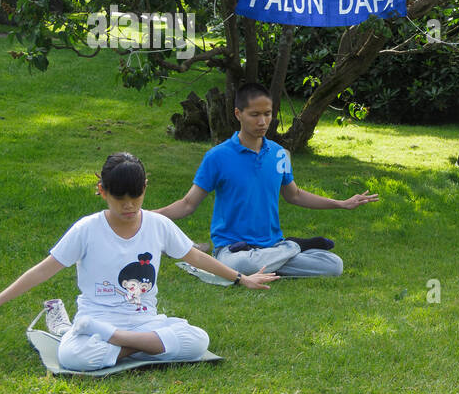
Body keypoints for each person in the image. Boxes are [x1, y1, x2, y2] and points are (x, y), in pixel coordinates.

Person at [0, 152, 277, 372]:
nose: (129, 207)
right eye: (119, 199)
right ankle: (139, 345)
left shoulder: (158, 225)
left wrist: (241, 278)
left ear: (144, 189)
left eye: (135, 199)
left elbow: (194, 255)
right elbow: (44, 268)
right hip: (96, 318)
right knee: (71, 356)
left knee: (198, 341)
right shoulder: (86, 229)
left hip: (141, 323)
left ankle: (123, 344)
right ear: (102, 191)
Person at [154, 83, 379, 277]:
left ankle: (274, 259)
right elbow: (188, 204)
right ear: (237, 114)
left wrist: (341, 204)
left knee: (333, 265)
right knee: (240, 264)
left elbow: (295, 195)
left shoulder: (280, 153)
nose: (263, 121)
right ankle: (294, 248)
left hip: (273, 245)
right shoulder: (217, 157)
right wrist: (146, 215)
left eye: (268, 114)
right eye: (255, 115)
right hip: (233, 250)